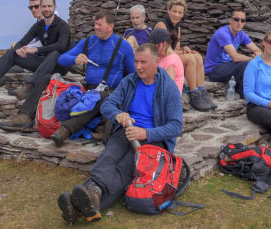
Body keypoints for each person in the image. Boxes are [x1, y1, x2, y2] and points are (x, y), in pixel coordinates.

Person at [56, 43, 183, 225]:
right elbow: (108, 105)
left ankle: (79, 206)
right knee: (108, 157)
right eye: (136, 61)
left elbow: (176, 127)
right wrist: (118, 114)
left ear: (156, 62)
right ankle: (91, 197)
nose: (138, 66)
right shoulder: (130, 81)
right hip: (126, 132)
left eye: (143, 62)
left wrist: (145, 133)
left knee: (124, 168)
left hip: (154, 141)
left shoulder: (169, 88)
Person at [47, 10, 136, 145]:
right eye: (95, 24)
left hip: (110, 91)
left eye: (100, 24)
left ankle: (65, 130)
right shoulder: (88, 42)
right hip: (88, 87)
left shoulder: (123, 46)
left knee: (99, 97)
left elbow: (132, 74)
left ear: (111, 26)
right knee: (49, 79)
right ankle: (25, 116)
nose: (96, 27)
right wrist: (75, 59)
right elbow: (62, 59)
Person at [154, 0, 213, 111]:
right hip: (159, 58)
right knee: (190, 58)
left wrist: (184, 49)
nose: (177, 15)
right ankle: (194, 93)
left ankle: (201, 90)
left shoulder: (177, 26)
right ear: (168, 10)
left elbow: (175, 50)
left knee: (197, 56)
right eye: (174, 11)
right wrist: (184, 53)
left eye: (180, 12)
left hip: (169, 56)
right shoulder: (162, 25)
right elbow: (165, 50)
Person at [204, 8, 262, 97]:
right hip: (214, 70)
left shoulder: (241, 34)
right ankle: (247, 95)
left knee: (255, 65)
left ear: (244, 23)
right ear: (230, 20)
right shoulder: (223, 33)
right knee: (246, 64)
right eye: (236, 19)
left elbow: (257, 50)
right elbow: (235, 57)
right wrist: (253, 58)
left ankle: (251, 92)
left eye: (242, 20)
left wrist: (257, 54)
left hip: (228, 67)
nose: (239, 23)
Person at [149, 28, 185, 94]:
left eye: (155, 46)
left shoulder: (171, 61)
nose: (153, 50)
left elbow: (167, 89)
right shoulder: (162, 57)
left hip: (168, 101)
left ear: (164, 44)